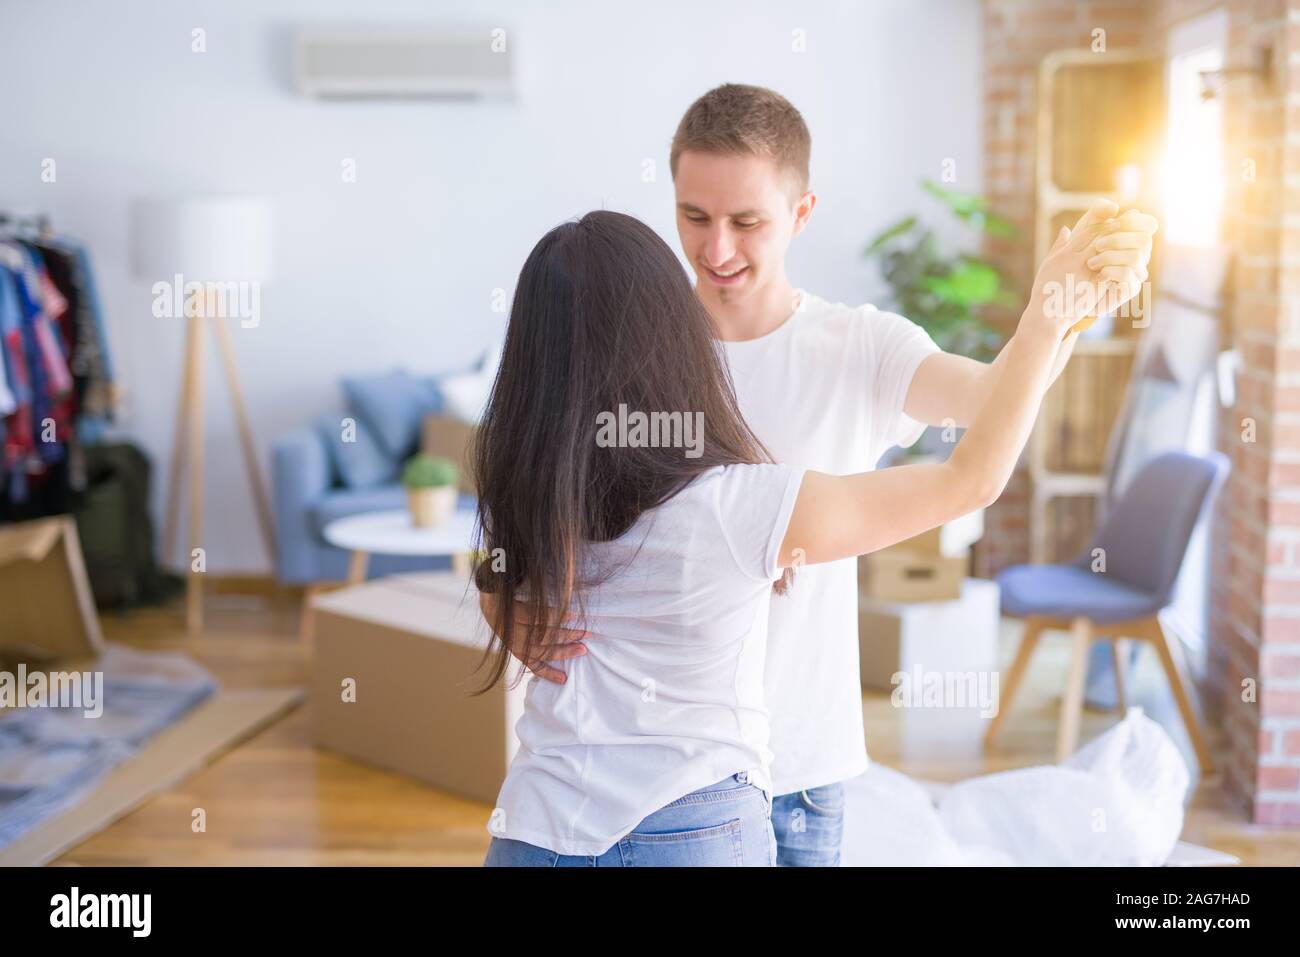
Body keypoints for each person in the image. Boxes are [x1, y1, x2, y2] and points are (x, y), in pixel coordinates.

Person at [483, 84, 1159, 865]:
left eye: (748, 222)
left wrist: (1060, 311)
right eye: (695, 217)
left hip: (796, 763)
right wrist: (509, 605)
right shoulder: (633, 358)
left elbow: (989, 405)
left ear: (802, 213)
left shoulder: (856, 346)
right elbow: (527, 511)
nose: (718, 249)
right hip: (656, 781)